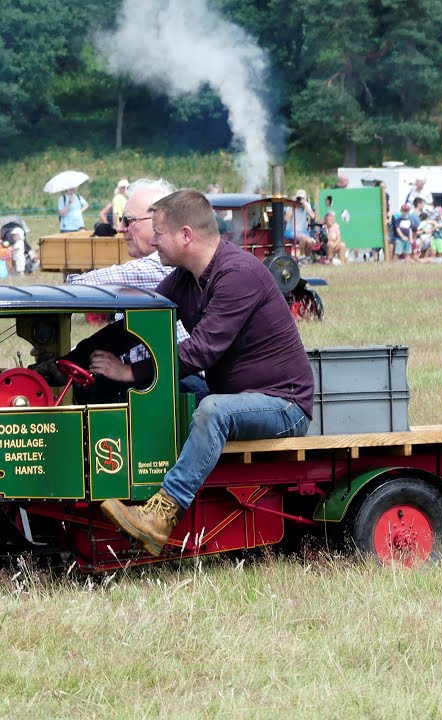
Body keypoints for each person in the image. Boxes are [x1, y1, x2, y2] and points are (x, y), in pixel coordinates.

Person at [76, 189, 313, 556]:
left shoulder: (238, 274)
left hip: (281, 406)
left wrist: (129, 372)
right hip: (236, 398)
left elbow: (201, 351)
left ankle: (162, 514)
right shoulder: (185, 277)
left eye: (159, 232)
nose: (153, 241)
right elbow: (138, 325)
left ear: (186, 235)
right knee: (178, 391)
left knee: (211, 411)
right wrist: (74, 359)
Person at [63, 178, 204, 403]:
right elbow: (124, 337)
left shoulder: (160, 266)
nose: (120, 228)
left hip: (181, 382)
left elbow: (79, 286)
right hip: (153, 375)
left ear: (159, 222)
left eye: (128, 220)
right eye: (121, 220)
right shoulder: (158, 269)